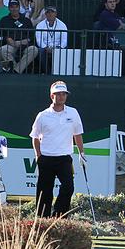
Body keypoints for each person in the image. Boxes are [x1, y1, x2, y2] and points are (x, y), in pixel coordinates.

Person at [30, 81, 85, 217]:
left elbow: (77, 134)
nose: (61, 97)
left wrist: (81, 153)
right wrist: (38, 156)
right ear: (51, 96)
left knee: (68, 187)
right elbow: (35, 137)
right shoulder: (43, 115)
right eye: (58, 94)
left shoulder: (73, 112)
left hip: (64, 158)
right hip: (46, 158)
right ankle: (43, 219)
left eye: (63, 94)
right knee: (45, 191)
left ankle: (59, 216)